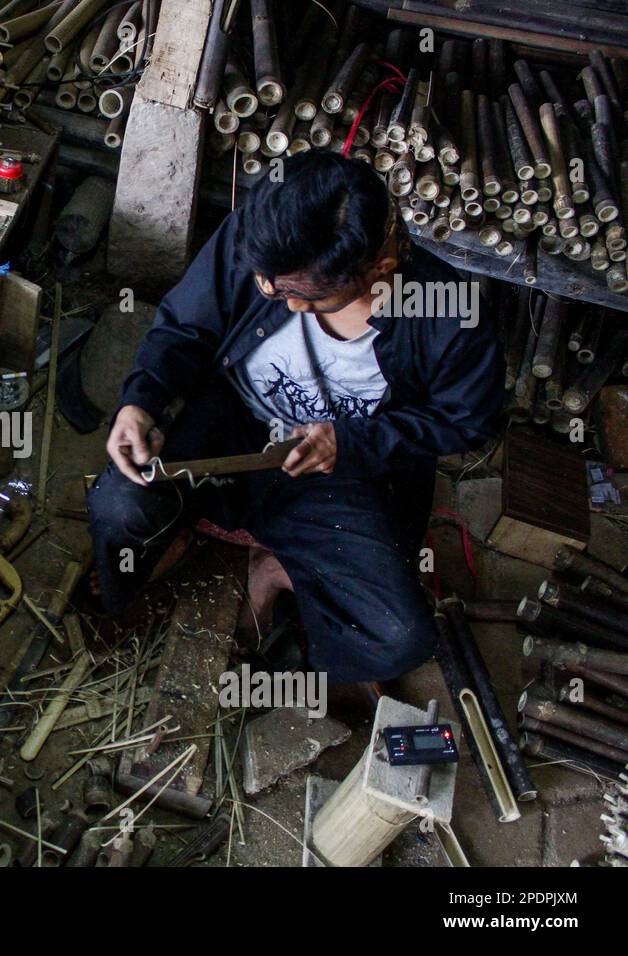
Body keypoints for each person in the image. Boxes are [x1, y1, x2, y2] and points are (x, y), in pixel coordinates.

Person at [88, 151, 503, 684]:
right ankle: (141, 571)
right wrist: (140, 400)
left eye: (297, 294)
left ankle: (278, 569)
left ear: (379, 270)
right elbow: (185, 325)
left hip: (338, 473)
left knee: (399, 639)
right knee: (120, 504)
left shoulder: (448, 309)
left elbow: (469, 421)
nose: (268, 294)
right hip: (230, 426)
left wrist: (357, 442)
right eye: (265, 281)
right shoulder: (266, 239)